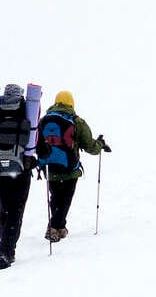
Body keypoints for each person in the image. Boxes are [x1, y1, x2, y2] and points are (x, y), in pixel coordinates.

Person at [0, 82, 41, 269]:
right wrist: (37, 160)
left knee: (4, 208)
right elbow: (39, 143)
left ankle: (5, 244)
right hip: (21, 170)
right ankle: (6, 249)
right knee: (16, 210)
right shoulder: (27, 115)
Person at [38, 90, 111, 241]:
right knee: (65, 199)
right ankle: (54, 227)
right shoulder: (77, 122)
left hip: (49, 166)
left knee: (55, 197)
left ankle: (59, 227)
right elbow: (90, 146)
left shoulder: (44, 120)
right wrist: (100, 144)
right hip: (69, 168)